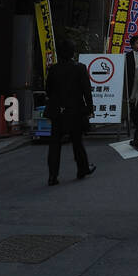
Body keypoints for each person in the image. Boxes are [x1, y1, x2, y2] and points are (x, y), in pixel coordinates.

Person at [44, 39, 96, 185]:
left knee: (55, 144)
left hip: (57, 111)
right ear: (73, 52)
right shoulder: (79, 68)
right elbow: (87, 91)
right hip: (75, 111)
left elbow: (48, 90)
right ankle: (82, 168)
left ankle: (52, 176)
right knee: (77, 142)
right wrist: (90, 109)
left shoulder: (53, 69)